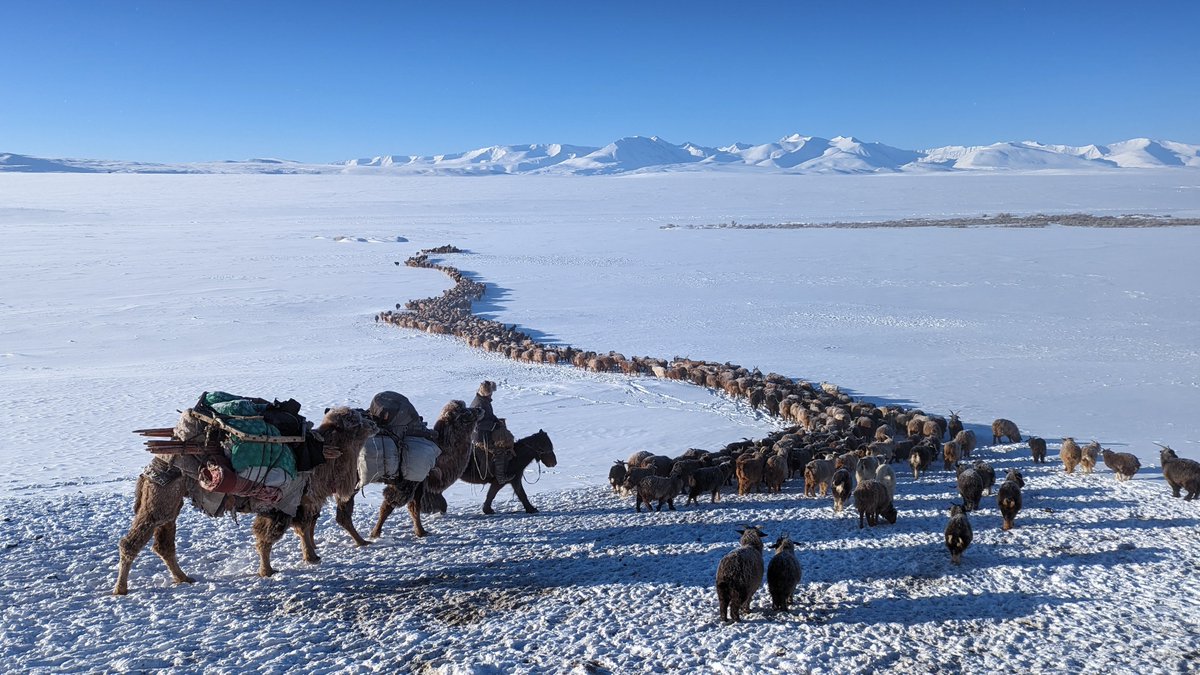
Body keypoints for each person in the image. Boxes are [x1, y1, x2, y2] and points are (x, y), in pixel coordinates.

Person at [470, 380, 514, 482]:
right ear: (486, 393)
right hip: (480, 437)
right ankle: (500, 478)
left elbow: (489, 415)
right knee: (499, 451)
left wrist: (496, 420)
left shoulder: (483, 401)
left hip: (485, 433)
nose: (491, 396)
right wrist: (493, 426)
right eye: (490, 394)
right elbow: (478, 424)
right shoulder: (479, 404)